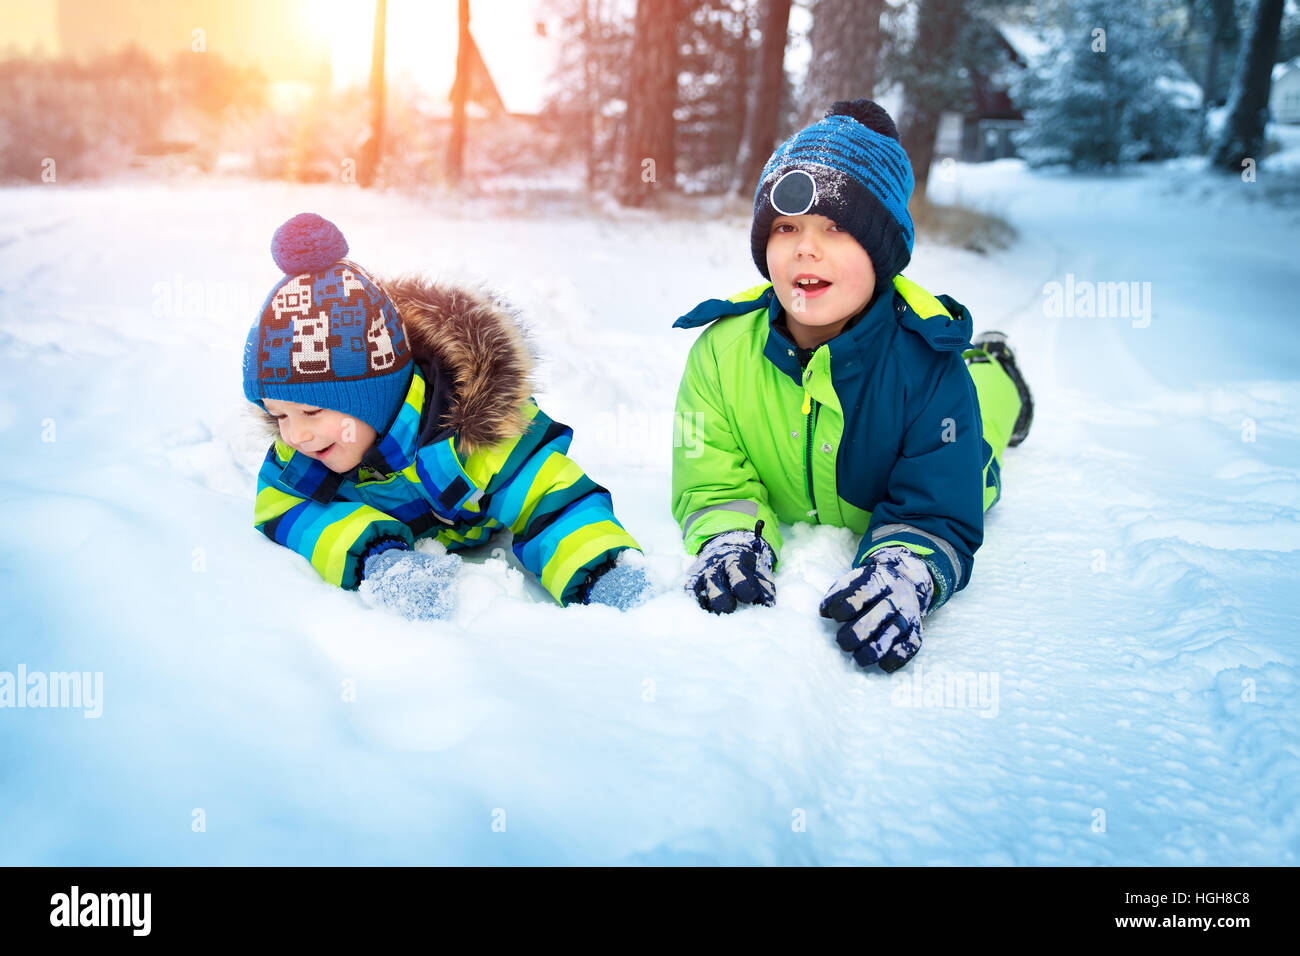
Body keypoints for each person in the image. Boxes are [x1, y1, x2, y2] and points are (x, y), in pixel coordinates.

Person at [671, 100, 1033, 672]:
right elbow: (712, 477)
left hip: (955, 439)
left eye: (835, 228)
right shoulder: (720, 354)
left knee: (981, 430)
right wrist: (730, 536)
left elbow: (937, 508)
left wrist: (905, 567)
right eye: (785, 227)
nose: (805, 248)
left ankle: (995, 366)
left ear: (883, 253)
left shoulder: (928, 365)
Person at [243, 213, 651, 619]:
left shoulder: (475, 436)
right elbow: (285, 507)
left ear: (372, 397)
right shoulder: (309, 453)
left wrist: (601, 569)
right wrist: (376, 556)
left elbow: (553, 498)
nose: (295, 434)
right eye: (279, 415)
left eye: (312, 411)